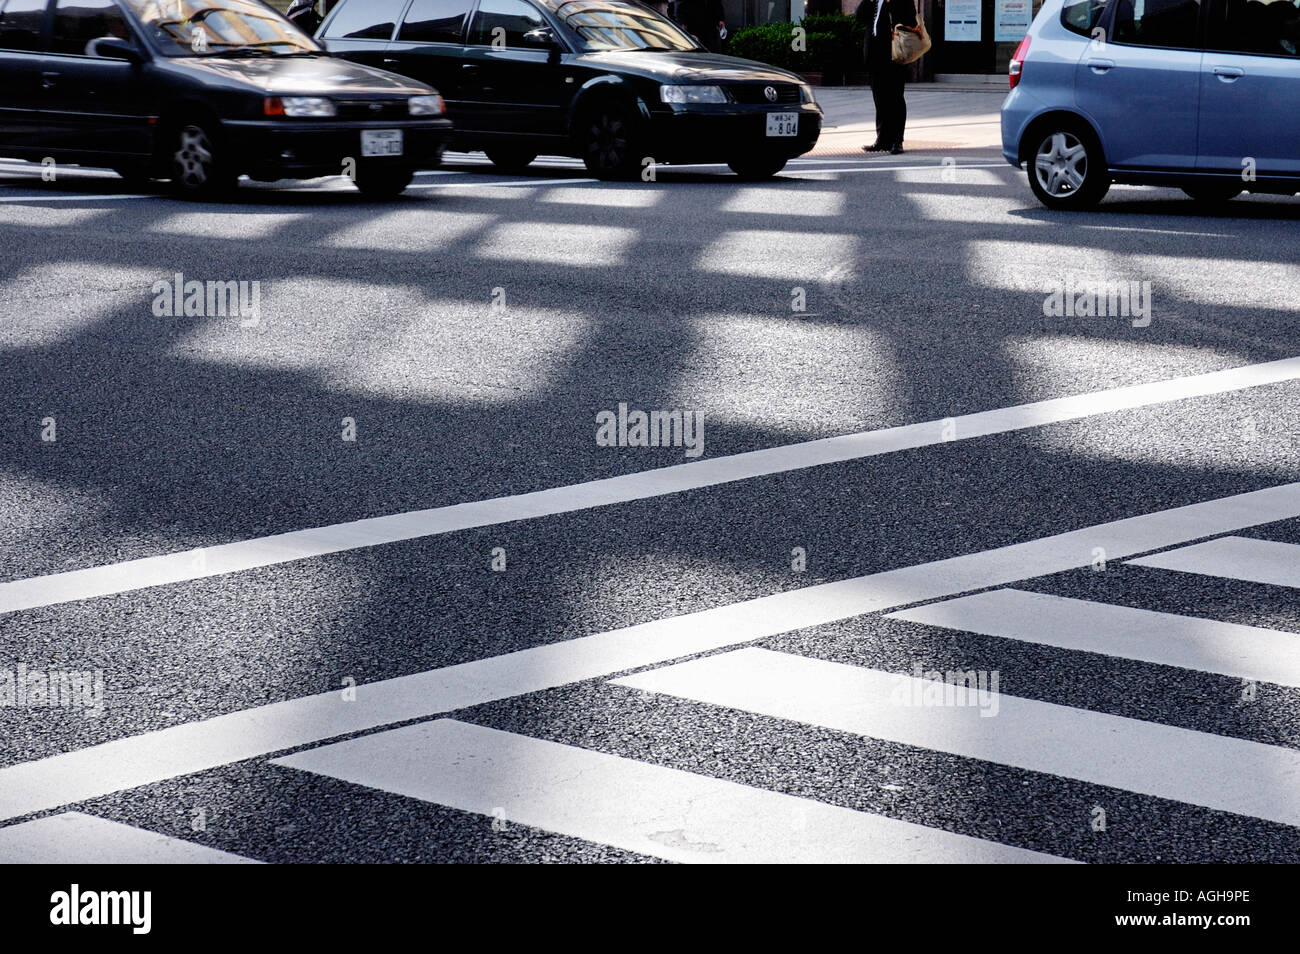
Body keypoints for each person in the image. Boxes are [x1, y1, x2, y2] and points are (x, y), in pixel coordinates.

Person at [857, 0, 918, 155]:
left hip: (894, 53)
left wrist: (893, 6)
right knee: (879, 97)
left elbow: (911, 20)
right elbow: (859, 17)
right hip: (874, 54)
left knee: (896, 97)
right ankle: (882, 139)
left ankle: (897, 141)